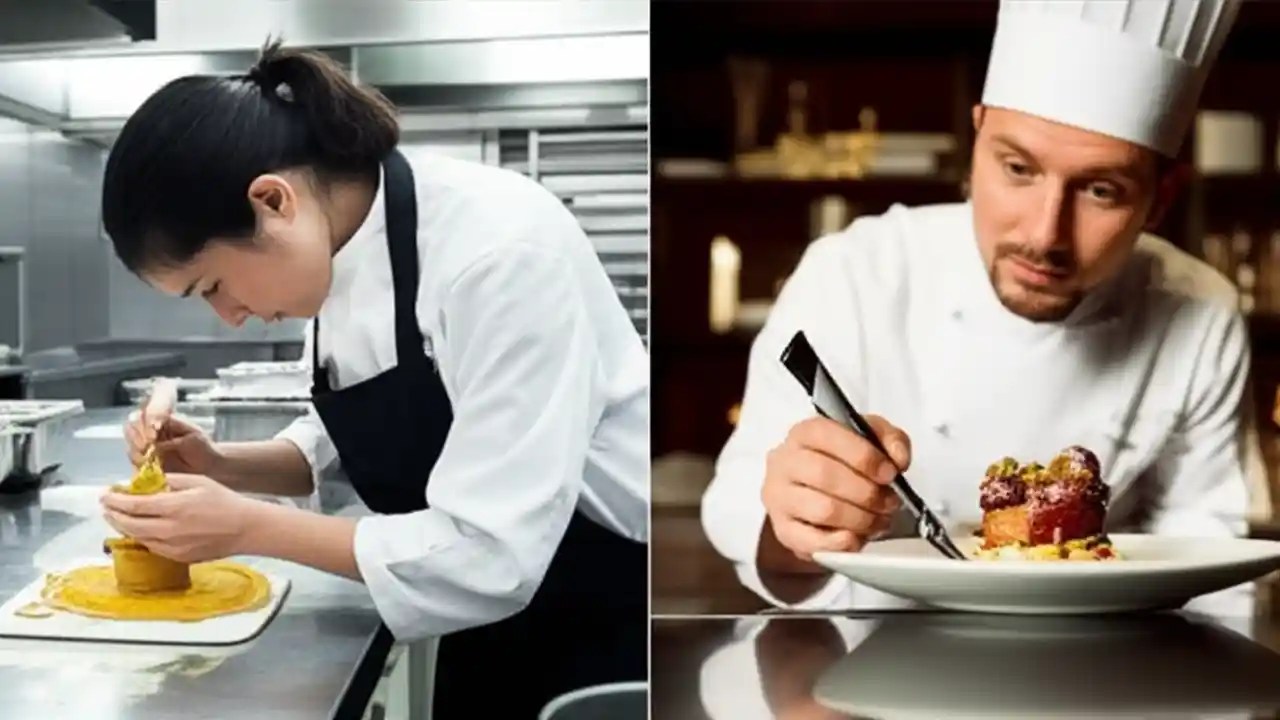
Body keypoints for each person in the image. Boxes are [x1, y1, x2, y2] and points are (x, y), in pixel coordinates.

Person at [97, 39, 649, 717]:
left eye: (213, 285)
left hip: (605, 610)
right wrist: (224, 465)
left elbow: (493, 554)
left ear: (273, 201)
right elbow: (335, 444)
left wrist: (245, 528)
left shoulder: (499, 256)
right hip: (493, 623)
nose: (231, 317)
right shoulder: (338, 251)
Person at [701, 0, 1266, 614]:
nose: (1046, 234)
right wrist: (803, 520)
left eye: (1102, 190)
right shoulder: (854, 274)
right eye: (1018, 168)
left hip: (1103, 677)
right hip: (873, 667)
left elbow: (1213, 566)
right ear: (977, 145)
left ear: (1161, 200)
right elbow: (750, 525)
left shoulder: (1199, 313)